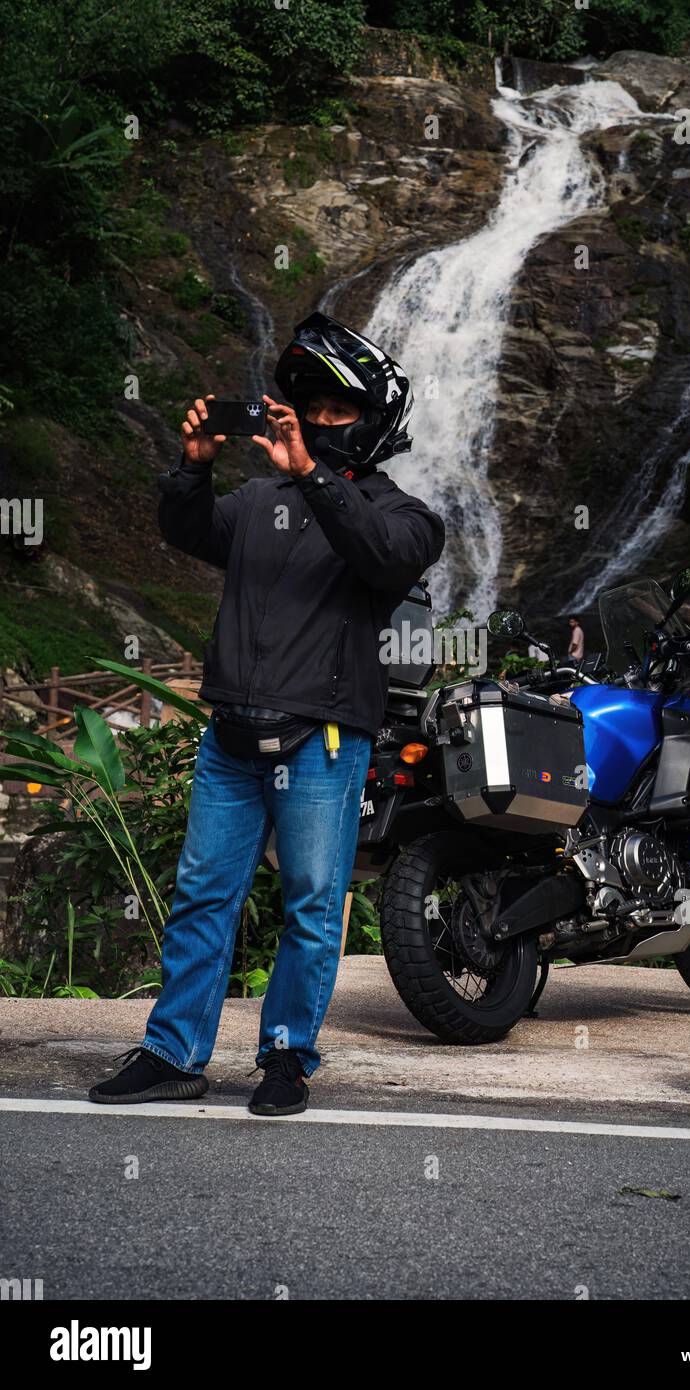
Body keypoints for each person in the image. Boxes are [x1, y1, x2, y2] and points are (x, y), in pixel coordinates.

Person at [89, 312, 445, 1117]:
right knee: (203, 897)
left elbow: (382, 558)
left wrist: (314, 475)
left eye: (337, 413)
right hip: (230, 739)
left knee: (312, 906)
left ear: (374, 422)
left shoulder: (405, 516)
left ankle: (286, 1059)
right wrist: (193, 463)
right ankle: (173, 1053)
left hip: (320, 741)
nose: (319, 423)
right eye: (309, 408)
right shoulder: (258, 500)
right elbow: (186, 528)